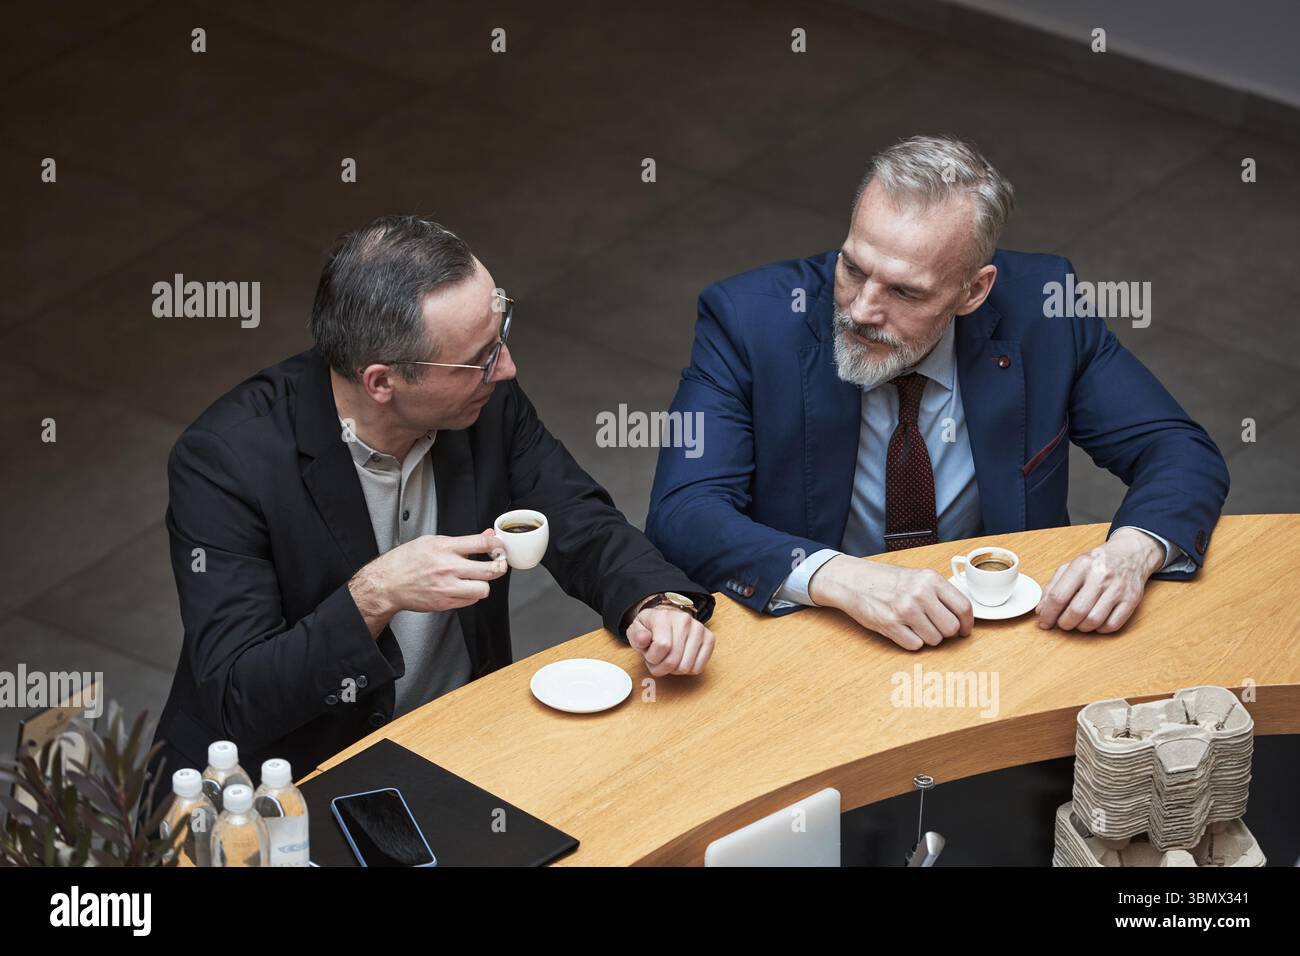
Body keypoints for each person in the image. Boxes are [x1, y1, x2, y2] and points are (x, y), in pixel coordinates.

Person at [150, 215, 716, 784]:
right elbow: (240, 693)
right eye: (481, 358)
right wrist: (375, 595)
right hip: (290, 783)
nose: (509, 367)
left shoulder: (484, 398)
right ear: (381, 382)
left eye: (502, 334)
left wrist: (655, 601)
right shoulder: (226, 461)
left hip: (456, 748)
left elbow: (577, 517)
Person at [647, 135, 1228, 651]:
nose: (861, 310)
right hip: (819, 633)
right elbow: (684, 513)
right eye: (852, 269)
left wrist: (1129, 555)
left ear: (973, 292)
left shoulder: (1043, 309)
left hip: (1004, 636)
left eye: (905, 292)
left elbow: (1177, 451)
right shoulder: (749, 321)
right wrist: (843, 578)